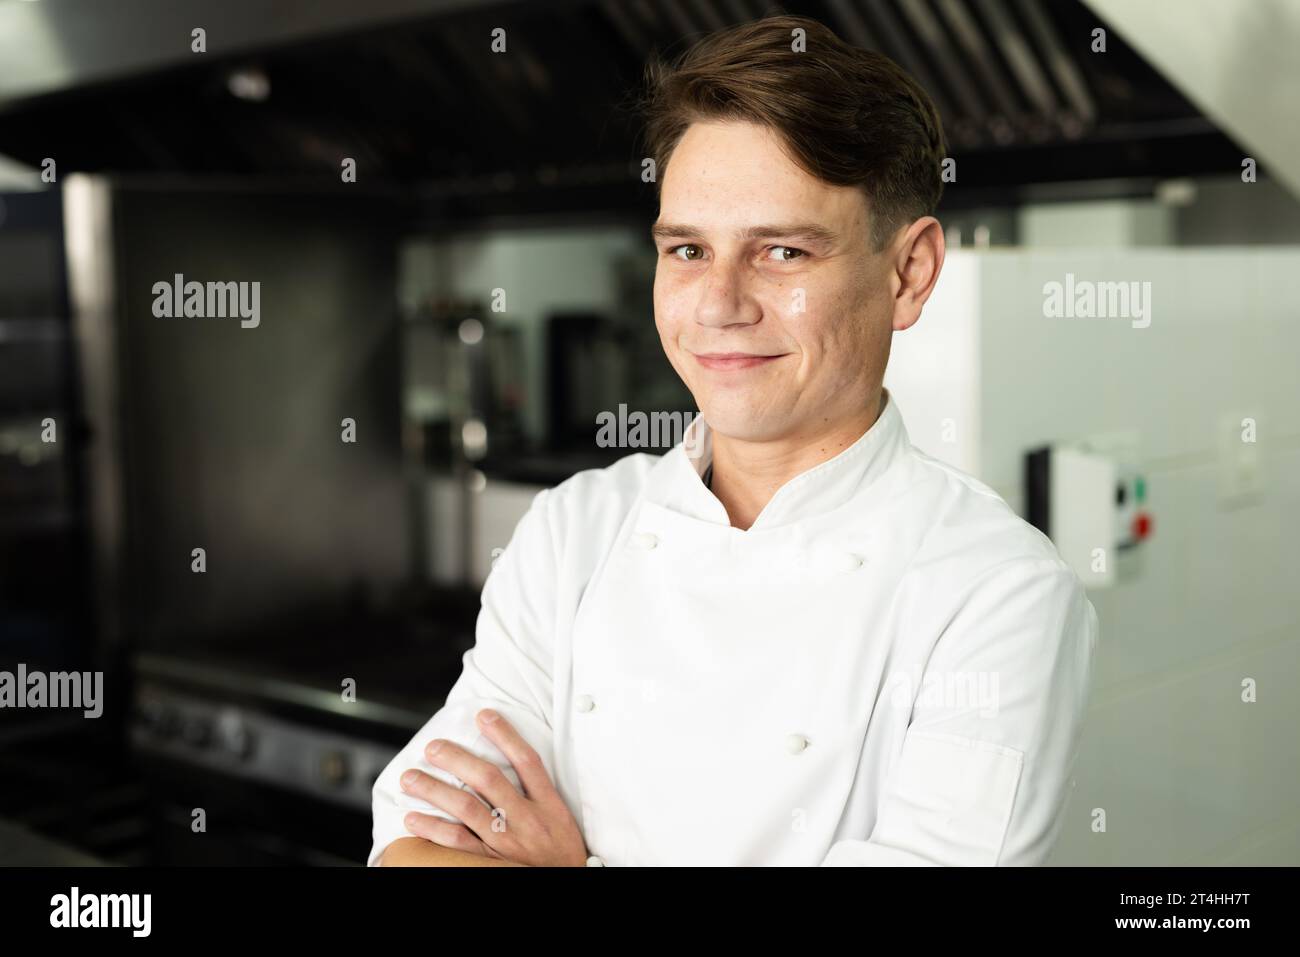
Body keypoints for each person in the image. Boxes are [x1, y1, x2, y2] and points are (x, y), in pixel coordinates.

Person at [370, 13, 1097, 867]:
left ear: (910, 273)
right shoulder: (575, 531)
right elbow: (415, 846)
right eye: (686, 249)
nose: (719, 303)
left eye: (782, 251)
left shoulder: (995, 592)